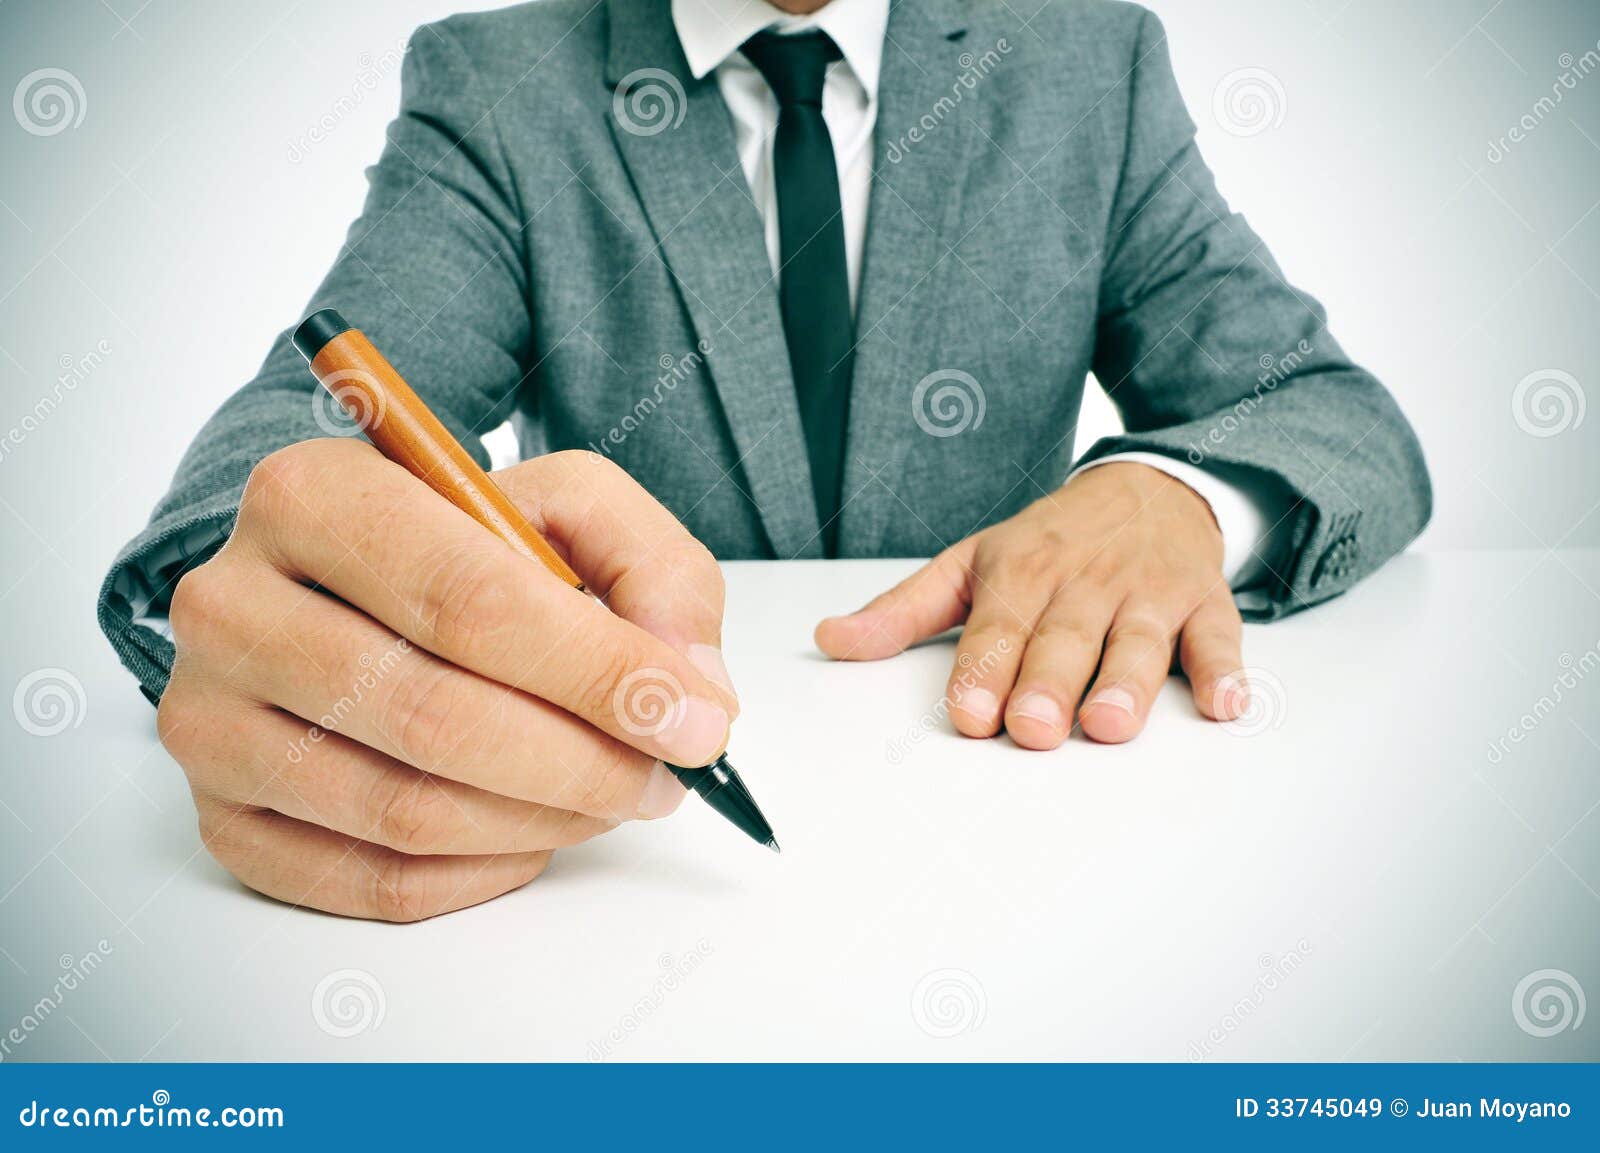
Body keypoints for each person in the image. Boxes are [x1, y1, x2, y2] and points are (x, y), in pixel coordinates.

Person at [97, 0, 1431, 920]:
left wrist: (1172, 495)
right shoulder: (499, 88)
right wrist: (264, 603)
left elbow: (1331, 415)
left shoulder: (1092, 62)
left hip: (1024, 832)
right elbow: (285, 457)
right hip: (621, 880)